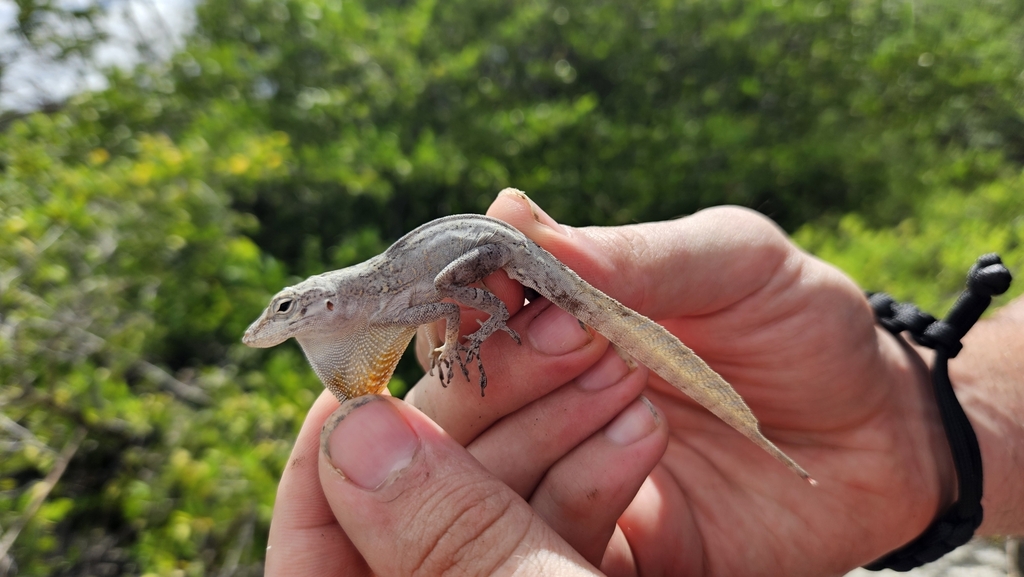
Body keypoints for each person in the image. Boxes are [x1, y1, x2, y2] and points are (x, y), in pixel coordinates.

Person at [263, 190, 1024, 576]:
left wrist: (485, 325)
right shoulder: (379, 294)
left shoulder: (377, 290)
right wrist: (918, 431)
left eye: (293, 308)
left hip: (495, 253)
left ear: (327, 302)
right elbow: (438, 305)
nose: (285, 319)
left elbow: (452, 300)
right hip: (484, 255)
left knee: (540, 324)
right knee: (593, 331)